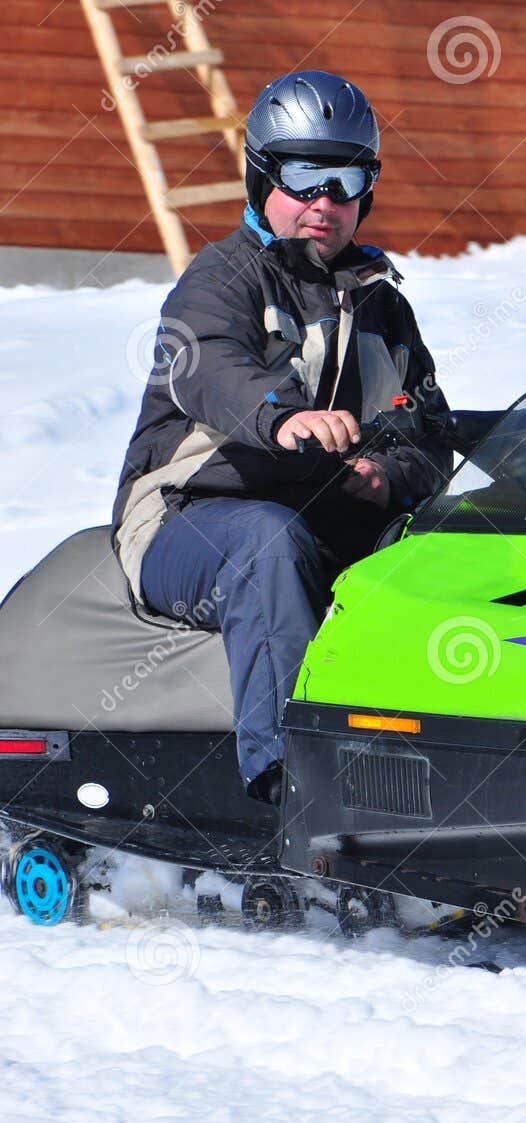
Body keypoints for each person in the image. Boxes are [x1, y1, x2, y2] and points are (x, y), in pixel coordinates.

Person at [112, 70, 452, 802]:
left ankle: (490, 766)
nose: (324, 201)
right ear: (262, 176)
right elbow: (210, 367)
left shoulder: (382, 305)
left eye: (345, 180)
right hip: (187, 519)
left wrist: (388, 477)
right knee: (266, 541)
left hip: (321, 517)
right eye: (303, 178)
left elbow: (428, 435)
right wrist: (281, 416)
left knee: (445, 551)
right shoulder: (221, 280)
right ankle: (290, 785)